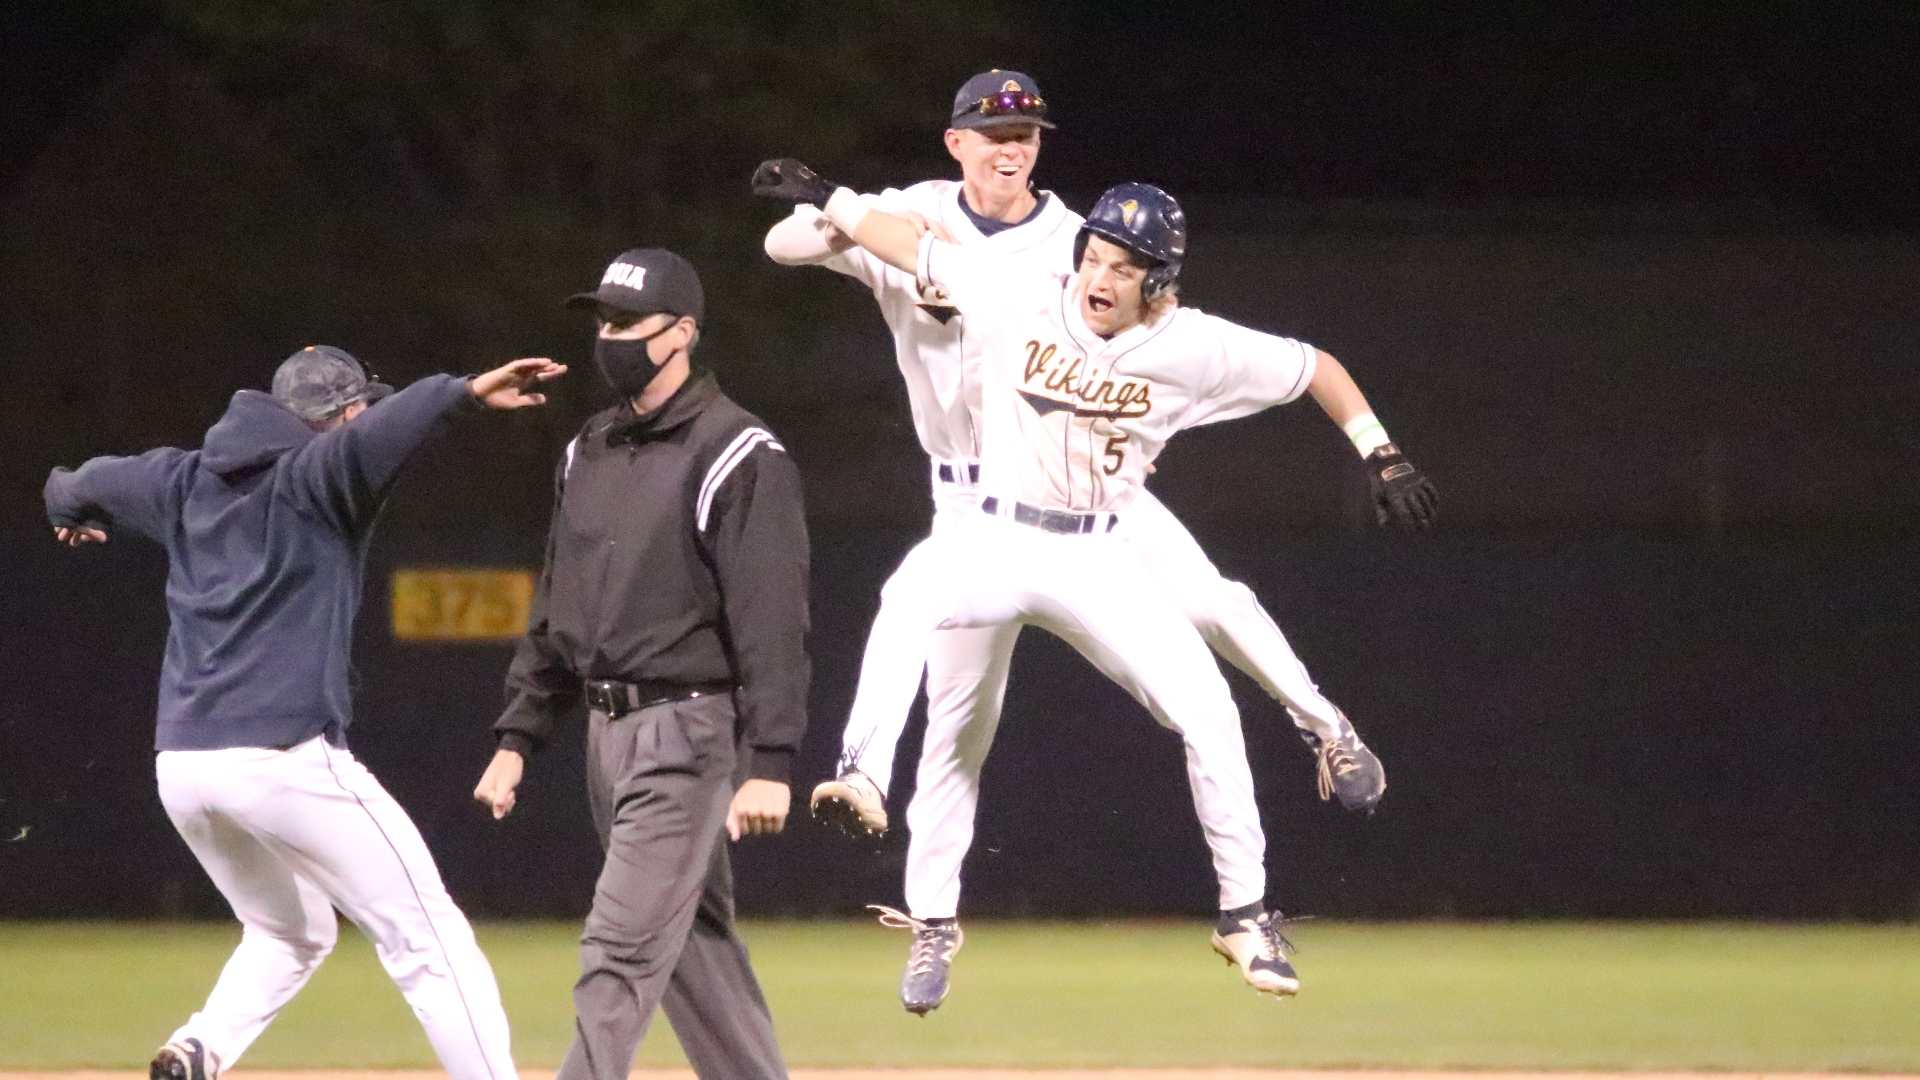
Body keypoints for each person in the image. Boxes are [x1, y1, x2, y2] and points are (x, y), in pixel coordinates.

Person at [757, 71, 1415, 1012]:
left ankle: (1251, 899)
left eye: (1123, 267)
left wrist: (1381, 456)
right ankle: (866, 783)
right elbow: (893, 242)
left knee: (1212, 674)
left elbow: (1313, 366)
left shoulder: (1188, 341)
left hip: (1104, 537)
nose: (1100, 277)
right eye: (1096, 260)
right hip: (986, 518)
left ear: (1162, 283)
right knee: (921, 629)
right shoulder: (1022, 288)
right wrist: (833, 198)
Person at [44, 345, 566, 1080]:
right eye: (361, 408)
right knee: (426, 933)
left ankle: (200, 1050)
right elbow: (384, 435)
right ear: (342, 415)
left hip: (183, 766)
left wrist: (64, 510)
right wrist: (466, 391)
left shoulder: (182, 480)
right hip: (283, 757)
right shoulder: (315, 475)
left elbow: (78, 481)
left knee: (292, 929)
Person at [472, 249, 807, 1080]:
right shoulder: (589, 449)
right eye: (603, 322)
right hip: (606, 737)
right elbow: (558, 605)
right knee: (693, 945)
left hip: (687, 731)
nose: (610, 338)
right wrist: (519, 735)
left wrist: (770, 760)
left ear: (683, 333)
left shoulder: (738, 451)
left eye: (627, 323)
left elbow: (773, 619)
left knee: (618, 952)